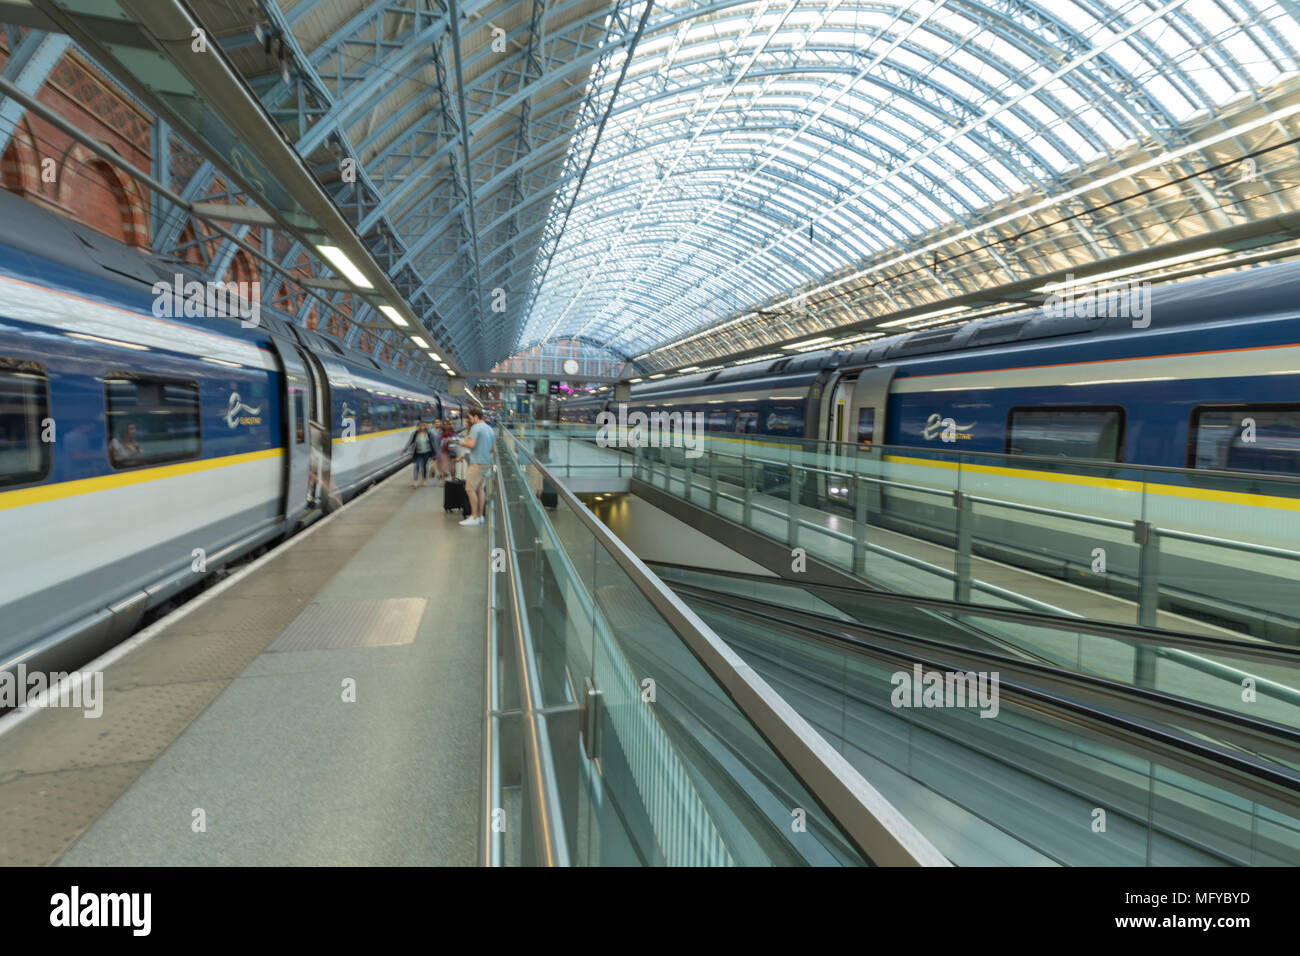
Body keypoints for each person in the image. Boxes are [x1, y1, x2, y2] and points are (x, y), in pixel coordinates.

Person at [458, 408, 495, 527]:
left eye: (470, 417)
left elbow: (471, 444)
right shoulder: (490, 428)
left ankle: (473, 516)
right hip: (486, 463)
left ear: (476, 417)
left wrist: (461, 442)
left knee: (470, 489)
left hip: (477, 463)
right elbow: (493, 449)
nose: (469, 420)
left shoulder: (475, 428)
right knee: (480, 489)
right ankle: (480, 516)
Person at [404, 420, 434, 487]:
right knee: (416, 466)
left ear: (425, 426)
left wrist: (434, 453)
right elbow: (410, 442)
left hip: (426, 453)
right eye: (420, 425)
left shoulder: (428, 434)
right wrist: (405, 450)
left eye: (423, 425)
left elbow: (432, 443)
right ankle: (415, 481)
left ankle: (424, 480)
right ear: (419, 426)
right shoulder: (415, 433)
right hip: (418, 453)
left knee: (424, 467)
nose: (422, 427)